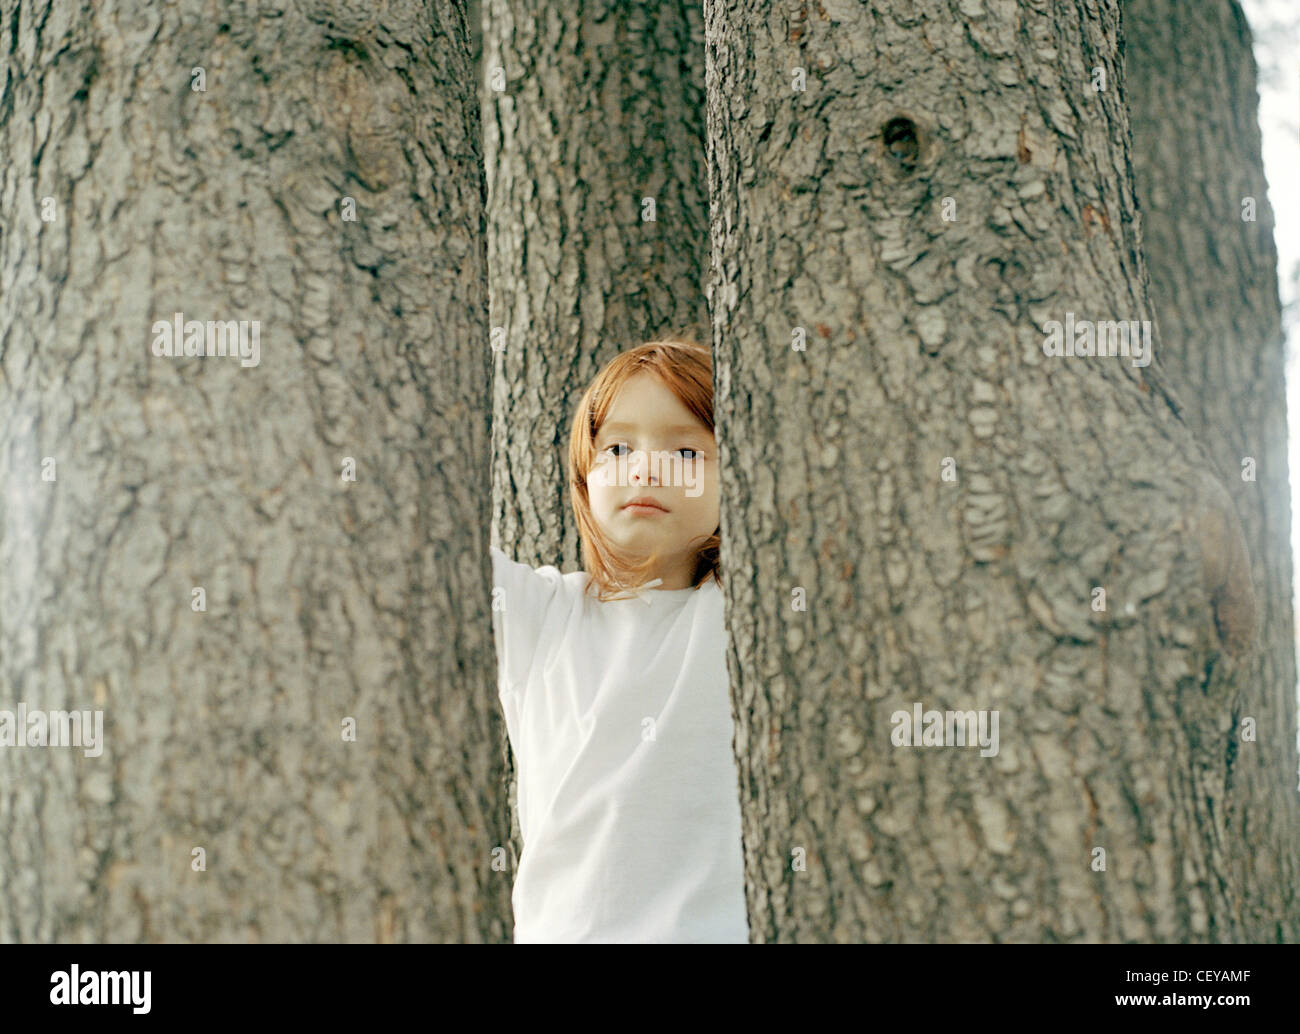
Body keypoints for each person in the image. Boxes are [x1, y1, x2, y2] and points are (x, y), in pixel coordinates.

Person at [490, 338, 749, 943]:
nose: (646, 467)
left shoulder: (739, 617)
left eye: (686, 449)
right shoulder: (541, 613)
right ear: (585, 477)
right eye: (618, 447)